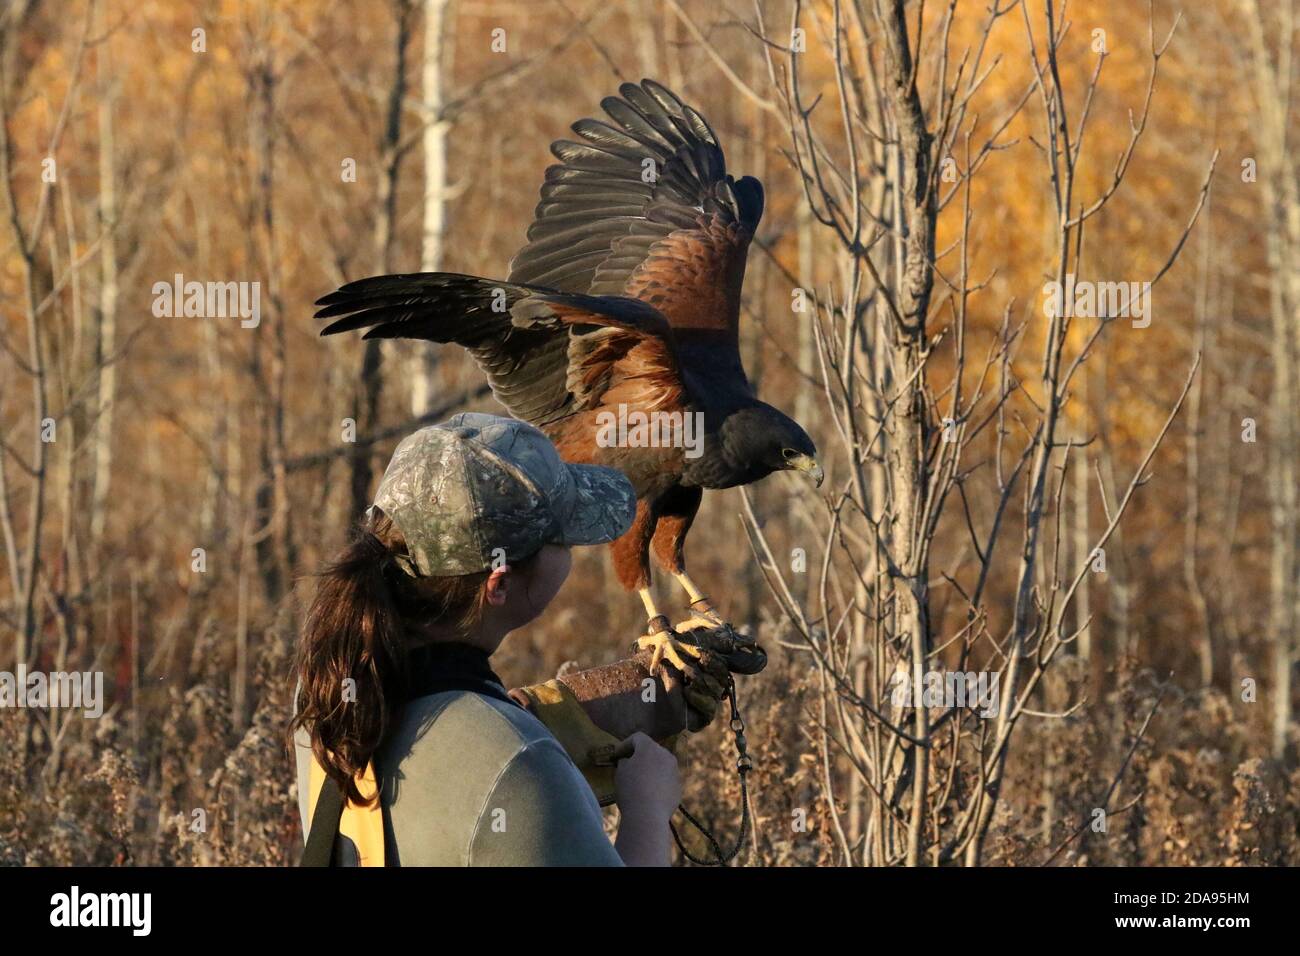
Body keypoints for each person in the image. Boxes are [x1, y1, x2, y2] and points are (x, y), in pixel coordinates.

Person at [290, 412, 699, 866]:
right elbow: (494, 774)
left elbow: (446, 779)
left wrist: (551, 715)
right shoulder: (520, 765)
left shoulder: (332, 691)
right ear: (498, 584)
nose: (573, 552)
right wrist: (648, 807)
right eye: (562, 539)